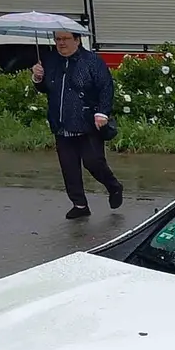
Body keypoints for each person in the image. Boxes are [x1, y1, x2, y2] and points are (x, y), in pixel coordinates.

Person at [33, 29, 124, 220]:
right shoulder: (50, 60)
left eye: (65, 39)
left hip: (87, 123)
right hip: (60, 123)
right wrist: (38, 78)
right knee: (69, 167)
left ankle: (114, 186)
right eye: (58, 39)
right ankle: (79, 205)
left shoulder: (92, 61)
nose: (61, 43)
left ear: (77, 40)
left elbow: (106, 87)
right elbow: (46, 88)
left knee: (93, 162)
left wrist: (102, 113)